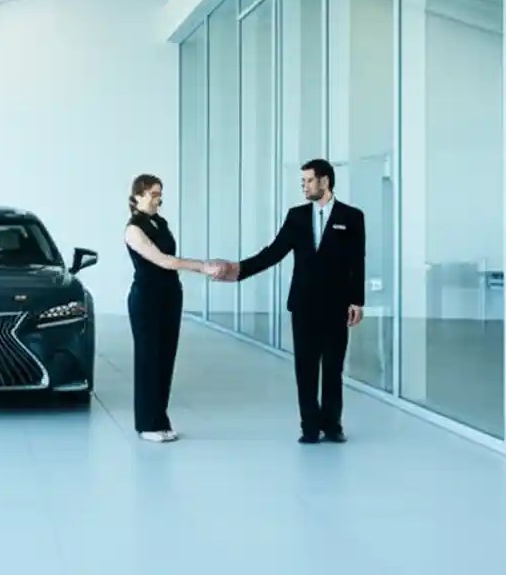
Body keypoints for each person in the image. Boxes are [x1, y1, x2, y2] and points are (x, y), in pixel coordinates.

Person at [215, 159, 365, 444]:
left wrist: (357, 301)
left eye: (308, 180)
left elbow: (358, 261)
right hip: (304, 304)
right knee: (306, 368)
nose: (304, 186)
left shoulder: (352, 216)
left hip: (337, 305)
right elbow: (274, 252)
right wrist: (239, 270)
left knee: (333, 368)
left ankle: (332, 425)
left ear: (325, 182)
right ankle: (309, 427)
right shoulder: (296, 216)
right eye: (303, 181)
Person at [123, 173, 223, 443]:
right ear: (138, 196)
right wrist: (202, 266)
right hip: (147, 298)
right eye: (153, 194)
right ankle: (146, 423)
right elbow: (164, 260)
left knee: (166, 357)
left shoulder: (160, 222)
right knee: (148, 359)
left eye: (159, 194)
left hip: (169, 295)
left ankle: (160, 418)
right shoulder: (134, 229)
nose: (158, 199)